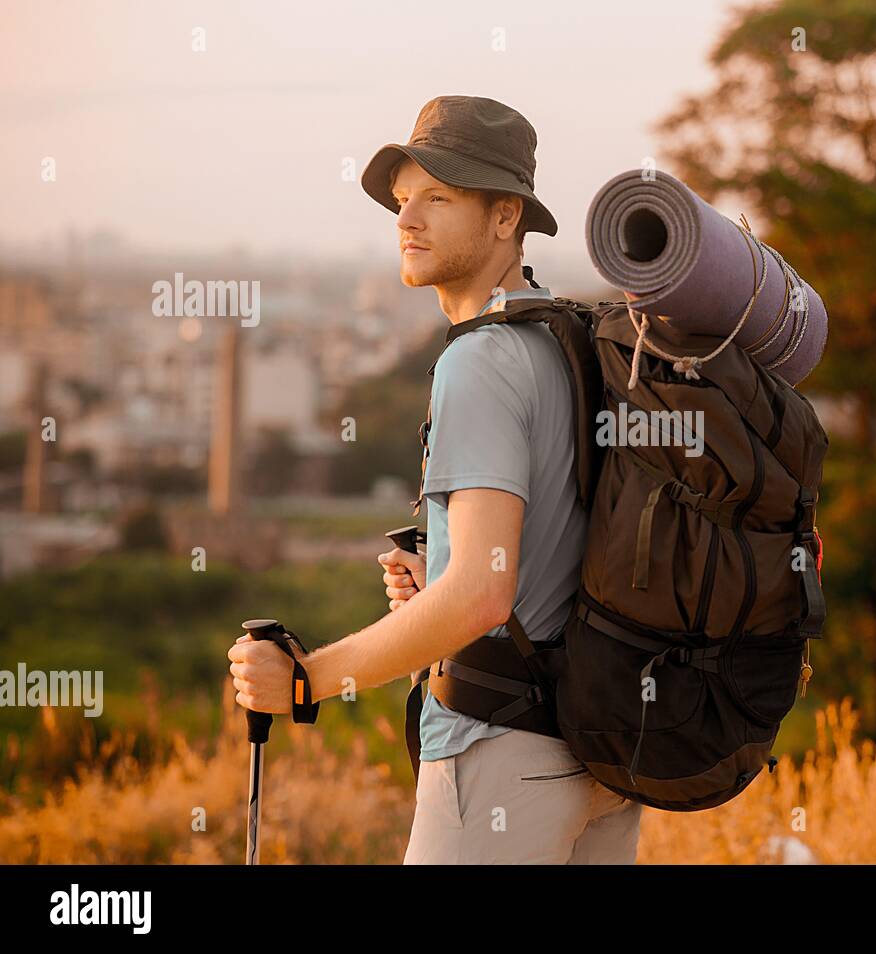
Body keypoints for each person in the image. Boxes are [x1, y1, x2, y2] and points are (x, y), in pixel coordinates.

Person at [227, 95, 642, 864]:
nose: (407, 220)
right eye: (402, 199)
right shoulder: (572, 341)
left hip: (500, 757)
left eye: (439, 198)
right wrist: (443, 575)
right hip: (598, 753)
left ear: (504, 216)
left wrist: (306, 678)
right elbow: (548, 554)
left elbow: (483, 596)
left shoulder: (480, 361)